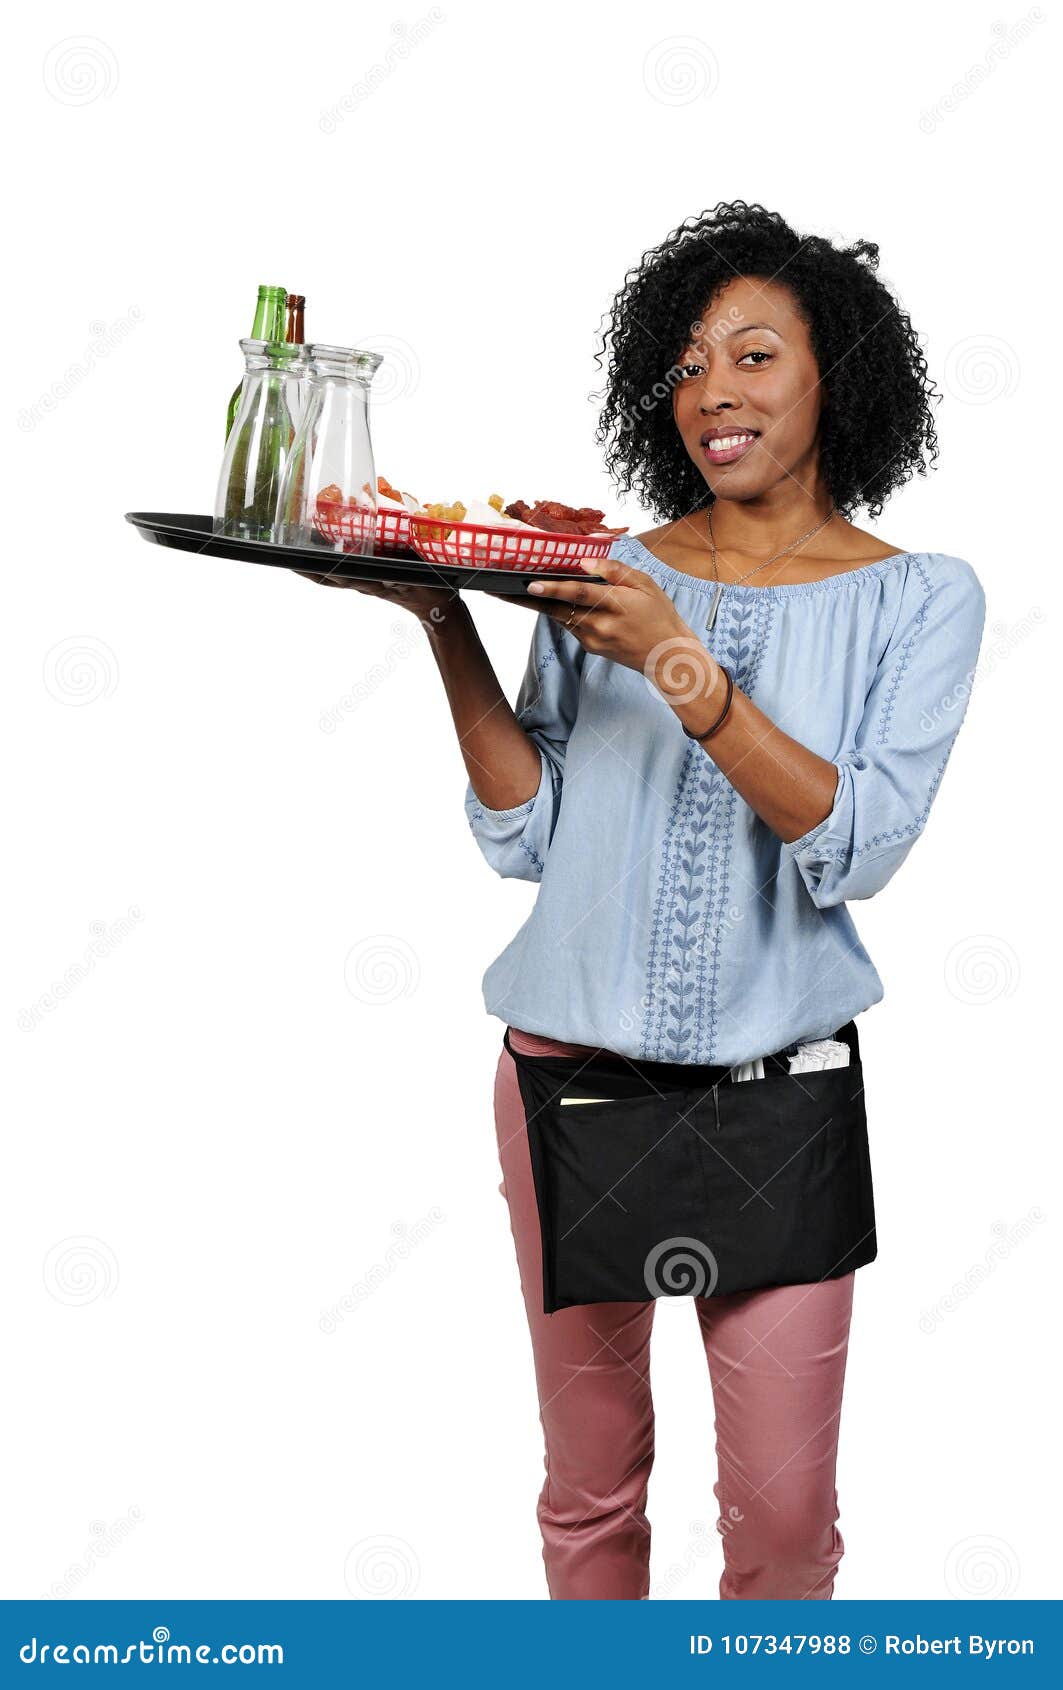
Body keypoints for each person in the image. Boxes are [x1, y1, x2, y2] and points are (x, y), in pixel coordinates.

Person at [295, 202, 986, 1600]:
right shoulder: (611, 569)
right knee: (590, 1494)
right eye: (684, 366)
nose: (712, 394)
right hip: (570, 1077)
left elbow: (851, 845)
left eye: (753, 356)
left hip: (778, 1098)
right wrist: (443, 613)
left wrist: (678, 660)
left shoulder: (923, 600)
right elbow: (527, 829)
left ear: (835, 376)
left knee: (786, 1530)